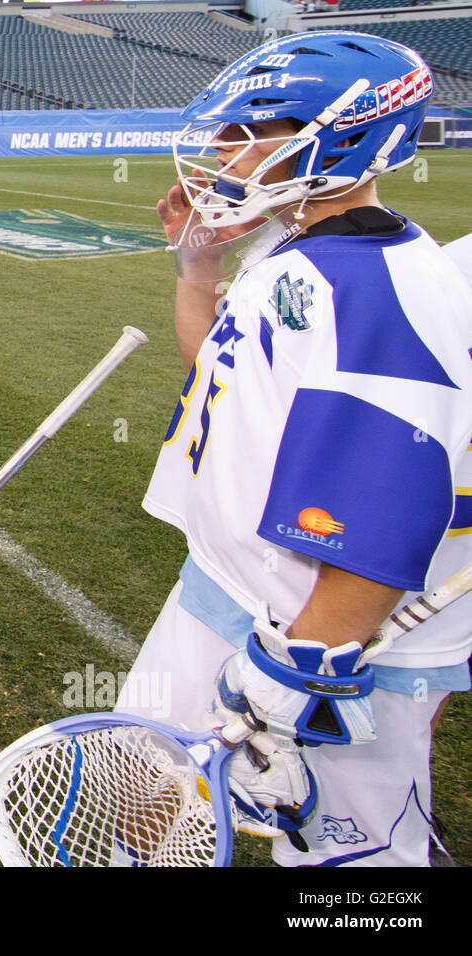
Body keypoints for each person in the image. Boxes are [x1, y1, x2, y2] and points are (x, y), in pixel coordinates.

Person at [121, 31, 472, 866]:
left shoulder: (374, 290)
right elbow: (230, 382)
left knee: (347, 868)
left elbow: (388, 512)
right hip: (232, 588)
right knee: (138, 787)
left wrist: (303, 665)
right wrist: (197, 272)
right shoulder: (295, 251)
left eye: (251, 133)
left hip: (319, 634)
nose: (219, 153)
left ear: (344, 137)